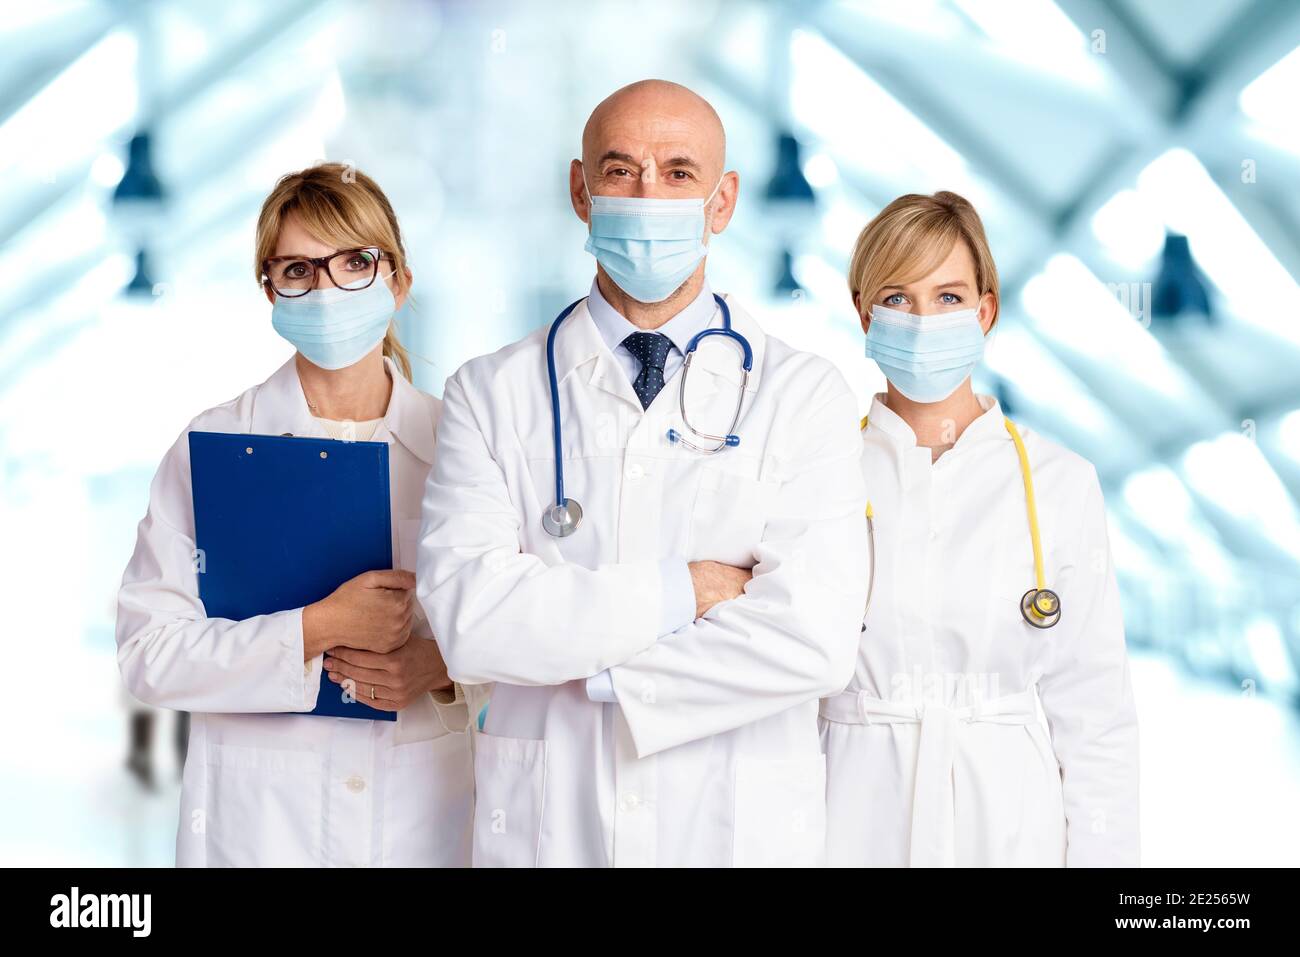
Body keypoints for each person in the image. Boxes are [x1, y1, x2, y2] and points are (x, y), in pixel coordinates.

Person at [417, 79, 869, 867]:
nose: (647, 193)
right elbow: (470, 622)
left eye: (679, 172)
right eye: (620, 170)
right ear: (579, 191)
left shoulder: (803, 393)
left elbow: (813, 640)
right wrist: (687, 590)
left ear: (722, 201)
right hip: (549, 830)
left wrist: (583, 665)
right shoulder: (490, 393)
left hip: (734, 832)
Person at [115, 163, 473, 867]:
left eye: (354, 262)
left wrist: (443, 669)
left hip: (422, 817)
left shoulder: (463, 444)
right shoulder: (210, 448)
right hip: (260, 828)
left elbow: (528, 629)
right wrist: (318, 627)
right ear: (270, 292)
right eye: (300, 270)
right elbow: (148, 655)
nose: (328, 290)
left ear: (398, 280)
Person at [820, 190, 1139, 867]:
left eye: (948, 296)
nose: (923, 319)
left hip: (1010, 828)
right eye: (898, 298)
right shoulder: (817, 475)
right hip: (847, 818)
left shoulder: (1058, 483)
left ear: (985, 310)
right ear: (863, 314)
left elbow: (1096, 721)